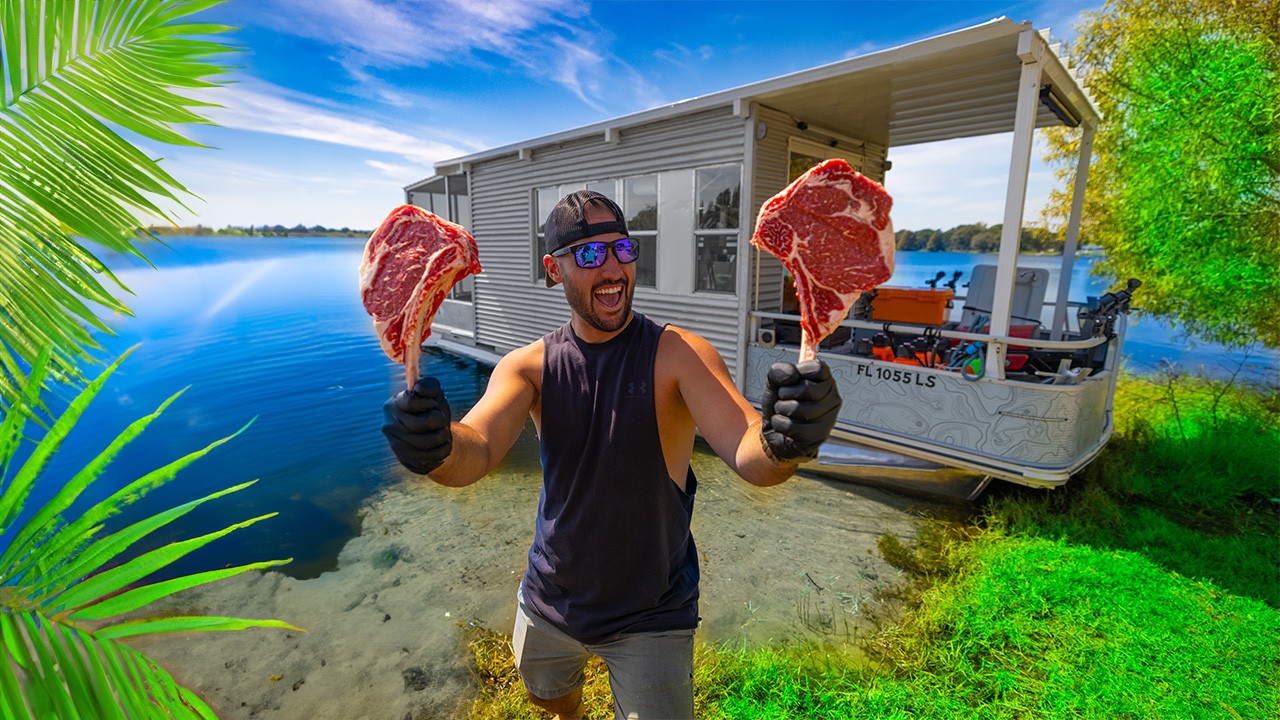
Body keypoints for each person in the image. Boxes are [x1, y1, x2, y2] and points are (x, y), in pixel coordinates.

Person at [382, 190, 841, 720]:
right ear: (554, 269)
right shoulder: (528, 367)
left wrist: (786, 440)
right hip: (550, 596)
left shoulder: (679, 356)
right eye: (590, 255)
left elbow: (748, 451)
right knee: (550, 699)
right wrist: (435, 448)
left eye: (622, 249)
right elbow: (477, 450)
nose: (614, 268)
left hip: (654, 610)